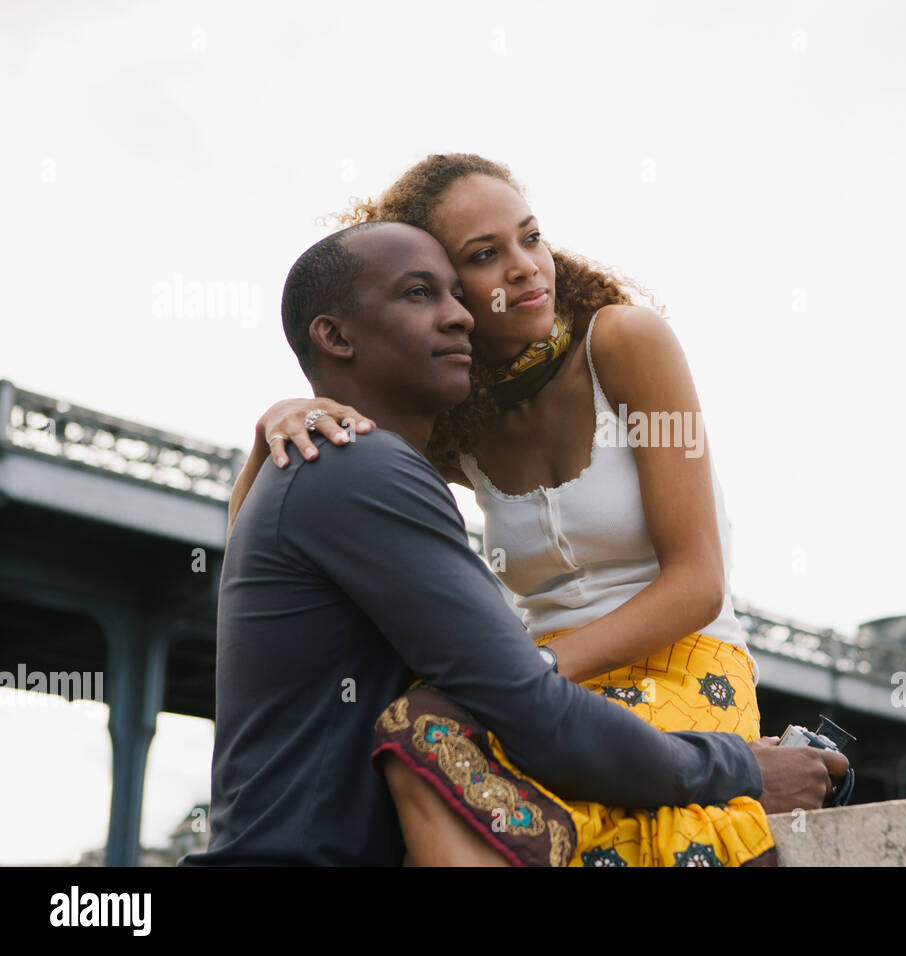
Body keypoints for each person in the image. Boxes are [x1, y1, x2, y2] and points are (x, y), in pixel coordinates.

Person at [183, 220, 845, 867]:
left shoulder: (346, 465)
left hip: (668, 676)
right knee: (430, 730)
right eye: (420, 294)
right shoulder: (360, 468)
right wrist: (741, 769)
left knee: (439, 729)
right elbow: (528, 705)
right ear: (334, 335)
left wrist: (531, 679)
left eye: (458, 295)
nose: (461, 316)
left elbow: (694, 584)